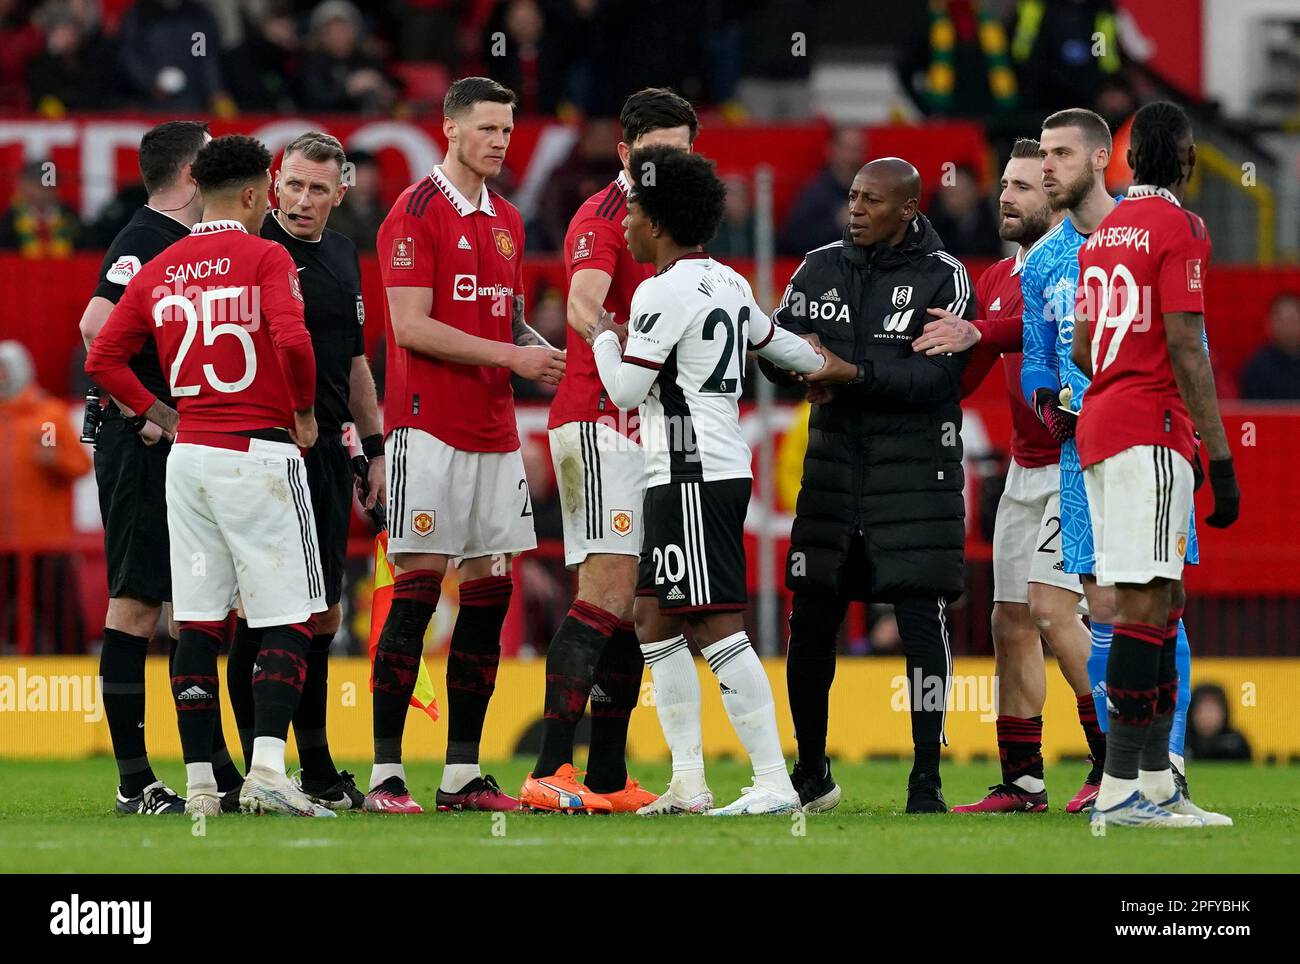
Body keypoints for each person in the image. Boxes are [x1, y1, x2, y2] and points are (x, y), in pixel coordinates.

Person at [86, 134, 332, 818]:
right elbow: (293, 340)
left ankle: (199, 784)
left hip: (188, 456)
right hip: (257, 449)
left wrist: (161, 410)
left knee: (196, 621)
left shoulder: (164, 264)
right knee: (287, 614)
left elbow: (103, 356)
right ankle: (266, 774)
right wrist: (306, 414)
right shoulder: (266, 255)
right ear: (255, 194)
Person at [593, 145, 837, 815]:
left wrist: (601, 335)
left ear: (662, 220)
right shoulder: (727, 281)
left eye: (634, 211)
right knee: (653, 617)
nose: (625, 224)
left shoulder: (661, 289)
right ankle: (689, 781)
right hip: (703, 469)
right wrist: (827, 365)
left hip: (689, 471)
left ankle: (772, 782)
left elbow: (623, 388)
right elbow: (778, 343)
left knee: (714, 623)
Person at [366, 77, 565, 814]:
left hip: (494, 432)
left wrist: (554, 353)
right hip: (428, 428)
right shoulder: (413, 212)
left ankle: (460, 775)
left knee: (490, 592)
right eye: (485, 128)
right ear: (449, 130)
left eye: (507, 130)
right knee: (416, 592)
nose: (499, 141)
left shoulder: (508, 219)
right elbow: (410, 326)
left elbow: (504, 323)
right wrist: (513, 359)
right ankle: (386, 773)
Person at [763, 157, 974, 814]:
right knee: (811, 621)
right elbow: (770, 349)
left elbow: (939, 380)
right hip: (831, 476)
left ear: (908, 209)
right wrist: (799, 375)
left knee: (918, 621)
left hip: (915, 480)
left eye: (871, 200)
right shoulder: (816, 267)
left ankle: (925, 777)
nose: (854, 209)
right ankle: (811, 770)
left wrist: (851, 375)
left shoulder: (946, 277)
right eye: (852, 196)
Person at [520, 87, 697, 815]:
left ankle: (607, 777)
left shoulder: (678, 223)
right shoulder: (604, 217)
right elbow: (584, 304)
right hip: (598, 418)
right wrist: (618, 356)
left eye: (683, 152)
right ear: (626, 154)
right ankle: (549, 767)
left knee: (637, 604)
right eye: (658, 152)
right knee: (608, 592)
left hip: (642, 426)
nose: (672, 164)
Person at [1020, 107, 1202, 806]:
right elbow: (1042, 359)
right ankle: (1121, 773)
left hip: (1140, 430)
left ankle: (1162, 764)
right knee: (1109, 601)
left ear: (1102, 159)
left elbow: (1190, 344)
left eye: (1059, 154)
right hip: (1090, 442)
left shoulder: (1135, 232)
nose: (1046, 170)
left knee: (1152, 598)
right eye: (1041, 156)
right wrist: (1050, 403)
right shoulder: (1045, 260)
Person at [916, 138, 1100, 814]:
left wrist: (982, 334)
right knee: (1010, 619)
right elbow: (962, 370)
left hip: (1073, 461)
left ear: (1054, 195)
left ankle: (1116, 764)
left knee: (1054, 611)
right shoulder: (993, 278)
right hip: (1025, 468)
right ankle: (1022, 782)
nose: (1008, 197)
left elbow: (1037, 328)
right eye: (1006, 187)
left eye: (1024, 186)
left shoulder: (1074, 261)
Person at [1072, 100, 1238, 828]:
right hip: (1150, 426)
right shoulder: (1181, 227)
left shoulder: (1103, 233)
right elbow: (1186, 344)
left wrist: (1119, 372)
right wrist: (1221, 454)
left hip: (1104, 428)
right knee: (1146, 604)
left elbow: (1082, 346)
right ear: (1183, 156)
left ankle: (1157, 786)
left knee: (1162, 601)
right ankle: (1124, 791)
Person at [77, 120, 242, 815]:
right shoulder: (143, 240)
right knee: (139, 605)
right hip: (140, 447)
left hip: (176, 451)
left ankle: (215, 771)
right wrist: (152, 412)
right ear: (192, 175)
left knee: (192, 609)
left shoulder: (183, 242)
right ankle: (133, 781)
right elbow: (94, 325)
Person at [222, 131, 384, 812]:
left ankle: (312, 766)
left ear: (340, 191)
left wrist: (374, 449)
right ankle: (248, 768)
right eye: (294, 185)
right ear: (273, 181)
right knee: (259, 614)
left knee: (323, 613)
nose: (304, 200)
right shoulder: (251, 253)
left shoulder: (345, 256)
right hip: (260, 450)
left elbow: (353, 364)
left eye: (320, 188)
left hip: (320, 455)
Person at [777, 126, 864, 255]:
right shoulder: (815, 194)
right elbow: (792, 242)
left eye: (857, 149)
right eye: (846, 149)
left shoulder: (873, 194)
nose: (852, 156)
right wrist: (836, 224)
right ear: (831, 150)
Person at [1238, 292, 1300, 401]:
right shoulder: (1258, 367)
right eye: (1282, 321)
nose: (1288, 327)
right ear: (1270, 323)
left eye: (1292, 320)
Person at [1186, 685, 1251, 762]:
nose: (1208, 716)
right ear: (1191, 712)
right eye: (1202, 709)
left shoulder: (1236, 743)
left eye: (1213, 710)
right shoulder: (1179, 741)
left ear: (1224, 712)